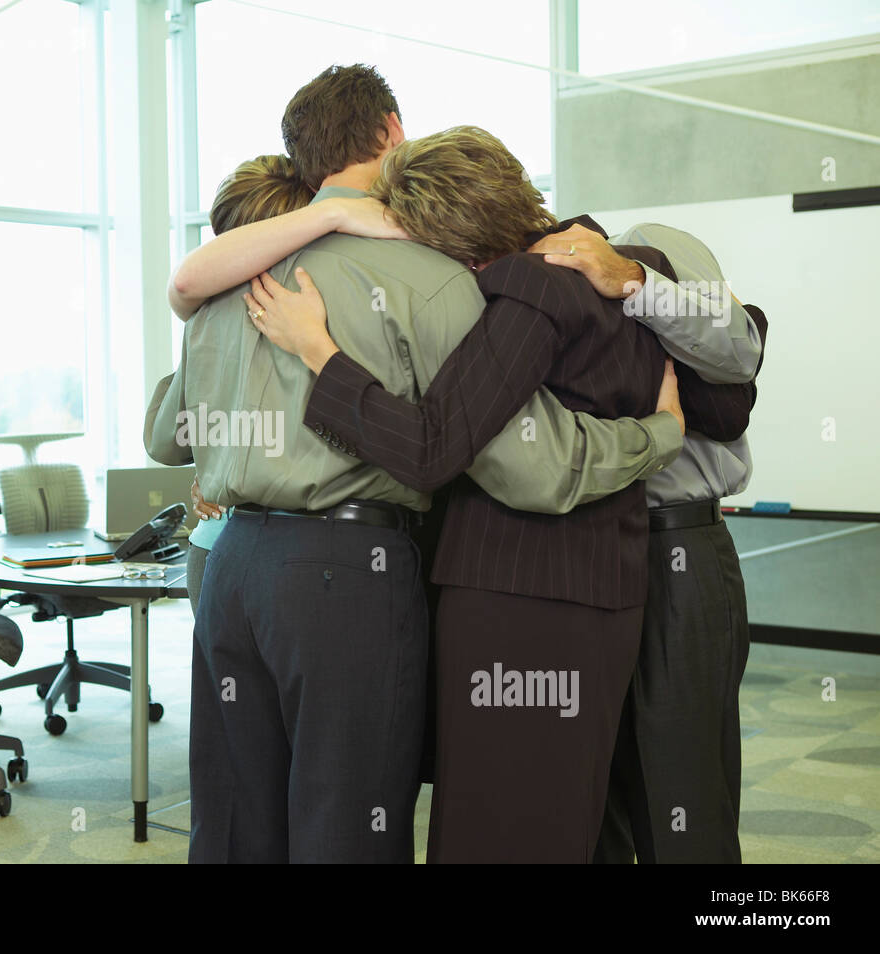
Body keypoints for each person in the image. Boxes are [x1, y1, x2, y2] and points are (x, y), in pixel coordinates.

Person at [148, 67, 686, 864]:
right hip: (343, 573)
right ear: (393, 131)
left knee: (232, 822)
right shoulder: (431, 280)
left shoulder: (227, 280)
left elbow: (173, 433)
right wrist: (653, 436)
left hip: (230, 571)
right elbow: (528, 467)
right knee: (346, 817)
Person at [233, 125, 762, 862]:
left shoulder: (526, 289)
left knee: (520, 825)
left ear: (460, 250)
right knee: (606, 816)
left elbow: (433, 446)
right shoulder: (623, 266)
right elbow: (732, 394)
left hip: (535, 587)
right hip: (608, 577)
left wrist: (321, 356)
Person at [529, 223, 766, 863]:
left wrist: (632, 281)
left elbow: (738, 353)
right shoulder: (528, 272)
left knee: (682, 786)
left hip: (676, 546)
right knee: (592, 789)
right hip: (577, 547)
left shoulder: (656, 248)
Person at [144, 153, 314, 615]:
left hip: (218, 544)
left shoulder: (207, 314)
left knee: (223, 687)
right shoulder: (318, 306)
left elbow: (166, 443)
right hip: (307, 554)